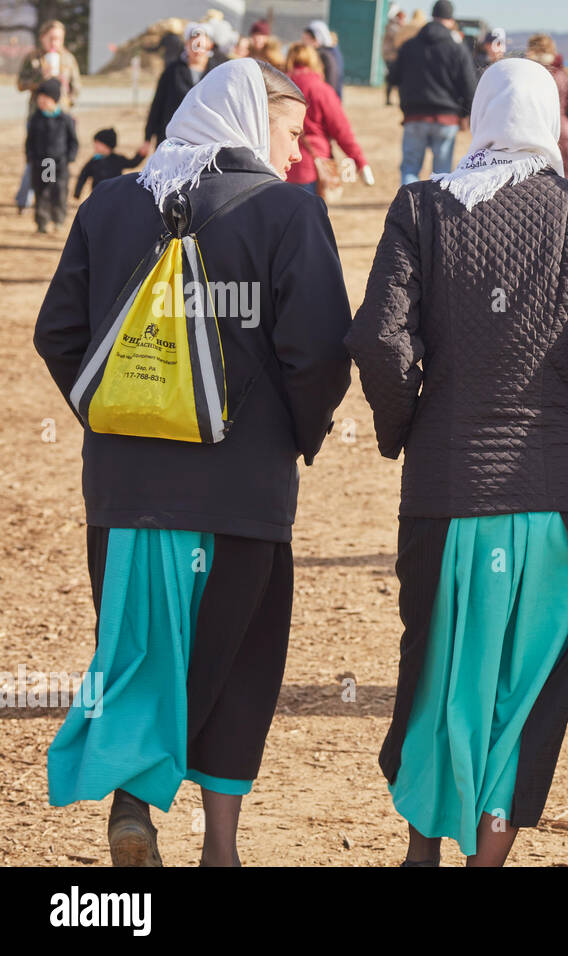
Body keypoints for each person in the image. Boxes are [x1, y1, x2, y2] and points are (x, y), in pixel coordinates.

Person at [35, 57, 353, 868]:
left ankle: (134, 801)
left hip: (125, 493)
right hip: (242, 493)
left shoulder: (110, 204)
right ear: (253, 118)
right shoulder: (288, 211)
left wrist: (117, 414)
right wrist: (297, 436)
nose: (296, 149)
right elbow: (319, 353)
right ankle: (221, 847)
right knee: (239, 661)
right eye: (291, 130)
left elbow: (58, 332)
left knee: (139, 651)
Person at [347, 58, 568, 867]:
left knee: (441, 678)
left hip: (447, 492)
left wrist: (405, 429)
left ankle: (421, 850)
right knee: (527, 694)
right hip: (558, 501)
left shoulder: (422, 206)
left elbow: (380, 339)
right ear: (552, 121)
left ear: (479, 116)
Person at [392, 0, 477, 183]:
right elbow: (469, 86)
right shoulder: (457, 49)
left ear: (433, 16)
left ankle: (408, 202)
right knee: (442, 176)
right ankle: (437, 203)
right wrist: (465, 115)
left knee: (410, 170)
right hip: (446, 118)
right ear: (451, 20)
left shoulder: (409, 46)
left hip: (414, 115)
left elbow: (393, 77)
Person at [284, 43, 374, 195]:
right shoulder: (321, 89)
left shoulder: (278, 87)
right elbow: (341, 130)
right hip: (311, 167)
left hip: (280, 165)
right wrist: (360, 162)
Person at [16, 19, 81, 213]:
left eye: (59, 38)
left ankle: (53, 202)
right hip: (37, 117)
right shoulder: (33, 58)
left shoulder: (68, 59)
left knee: (56, 161)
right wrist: (40, 79)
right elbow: (20, 84)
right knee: (35, 159)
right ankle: (25, 199)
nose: (55, 42)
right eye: (51, 38)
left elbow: (77, 88)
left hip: (61, 118)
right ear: (42, 37)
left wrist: (67, 99)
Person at [142, 23, 213, 157]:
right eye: (194, 45)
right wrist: (147, 138)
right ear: (186, 45)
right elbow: (158, 104)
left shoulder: (217, 72)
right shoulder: (172, 71)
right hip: (173, 140)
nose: (197, 50)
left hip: (205, 141)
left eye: (201, 45)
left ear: (209, 45)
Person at [26, 78, 77, 234]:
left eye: (45, 99)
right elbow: (29, 141)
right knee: (42, 192)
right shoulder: (35, 119)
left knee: (59, 192)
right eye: (39, 99)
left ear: (54, 99)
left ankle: (58, 220)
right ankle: (42, 222)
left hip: (59, 164)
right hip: (41, 163)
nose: (41, 102)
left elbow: (73, 141)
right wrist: (31, 157)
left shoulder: (65, 119)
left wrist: (69, 157)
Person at [525, 34, 568, 179]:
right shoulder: (564, 72)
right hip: (565, 128)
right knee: (567, 180)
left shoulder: (535, 73)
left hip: (542, 131)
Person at [73, 128, 144, 199]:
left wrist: (140, 155)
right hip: (97, 195)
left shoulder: (118, 159)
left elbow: (132, 163)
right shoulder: (94, 161)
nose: (95, 145)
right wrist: (77, 192)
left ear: (106, 145)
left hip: (115, 194)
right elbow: (83, 175)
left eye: (98, 143)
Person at [304, 20, 344, 101]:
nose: (304, 42)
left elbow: (331, 82)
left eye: (306, 39)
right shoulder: (328, 52)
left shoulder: (326, 55)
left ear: (316, 39)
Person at [383, 7, 407, 103]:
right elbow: (398, 39)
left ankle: (389, 99)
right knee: (392, 77)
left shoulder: (394, 26)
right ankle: (388, 99)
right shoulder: (393, 27)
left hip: (392, 55)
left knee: (392, 77)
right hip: (390, 56)